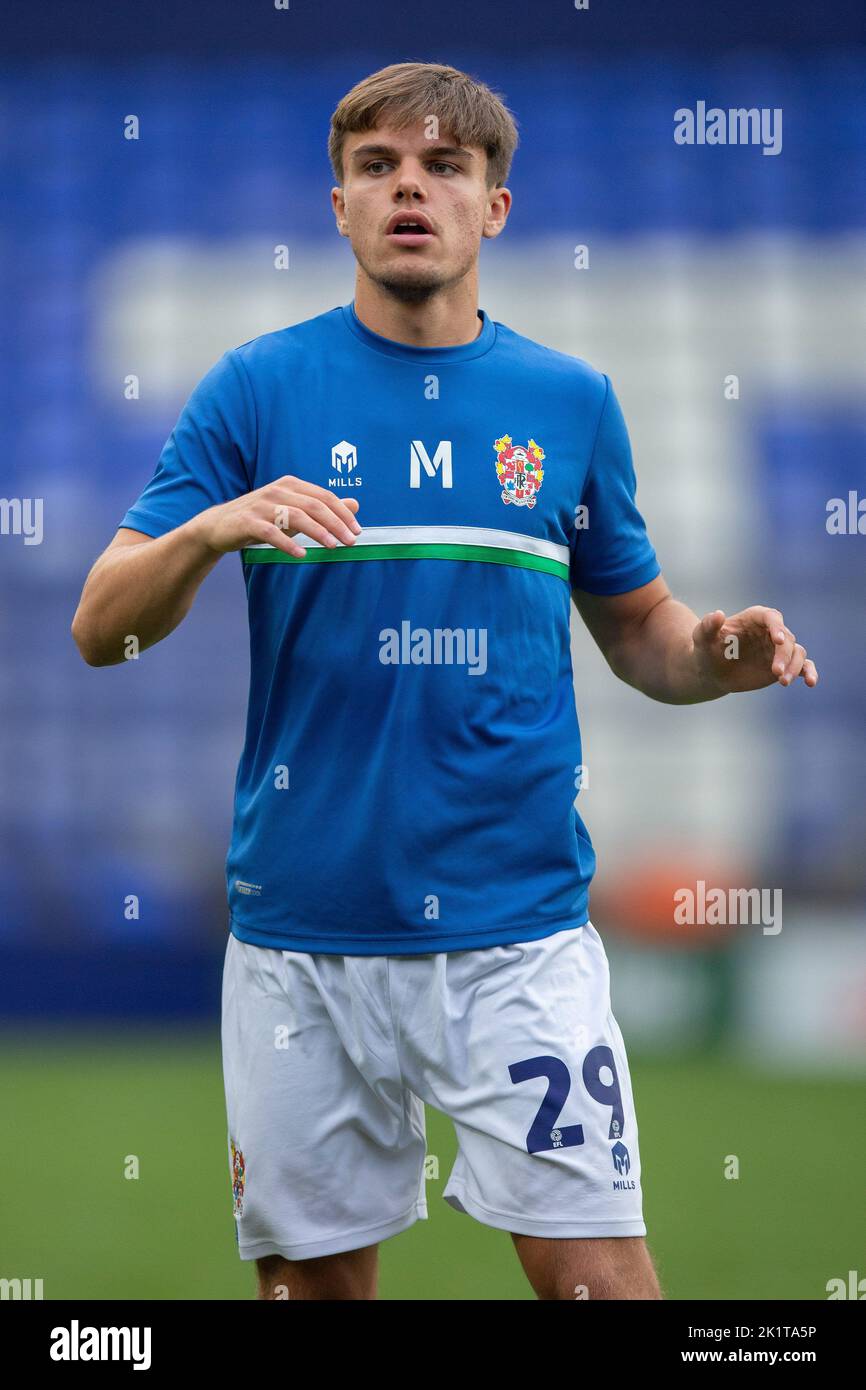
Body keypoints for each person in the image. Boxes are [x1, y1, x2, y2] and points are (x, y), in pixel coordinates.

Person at [71, 61, 817, 1301]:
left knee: (598, 1282)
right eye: (377, 167)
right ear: (340, 204)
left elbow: (641, 632)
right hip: (300, 941)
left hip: (515, 935)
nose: (407, 189)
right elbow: (102, 626)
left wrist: (713, 655)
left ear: (494, 207)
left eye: (442, 168)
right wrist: (211, 530)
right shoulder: (255, 389)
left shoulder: (568, 402)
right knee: (312, 1293)